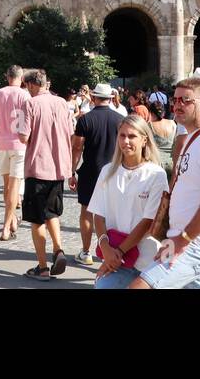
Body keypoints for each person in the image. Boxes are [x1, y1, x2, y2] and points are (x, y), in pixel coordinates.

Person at [129, 77, 200, 289]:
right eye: (174, 100)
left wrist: (182, 240)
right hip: (184, 241)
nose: (177, 105)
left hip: (196, 245)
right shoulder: (193, 138)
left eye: (185, 100)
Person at [89, 115, 168, 288]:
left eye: (132, 136)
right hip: (116, 259)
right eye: (122, 135)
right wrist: (106, 248)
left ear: (144, 140)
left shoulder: (156, 175)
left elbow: (148, 222)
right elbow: (98, 214)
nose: (126, 141)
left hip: (146, 260)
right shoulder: (107, 171)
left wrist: (119, 251)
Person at [17, 69, 74, 280]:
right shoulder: (62, 103)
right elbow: (70, 131)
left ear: (31, 85)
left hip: (37, 167)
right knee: (52, 213)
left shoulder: (29, 104)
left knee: (37, 219)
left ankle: (42, 268)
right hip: (59, 168)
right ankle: (58, 249)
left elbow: (23, 136)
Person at [71, 82, 124, 265]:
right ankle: (110, 252)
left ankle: (86, 252)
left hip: (90, 170)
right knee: (111, 215)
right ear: (110, 99)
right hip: (114, 171)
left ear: (93, 98)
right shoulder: (120, 119)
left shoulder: (85, 119)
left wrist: (72, 171)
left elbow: (77, 147)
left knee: (86, 212)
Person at [0, 64, 30, 241]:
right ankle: (7, 226)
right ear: (21, 78)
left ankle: (11, 219)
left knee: (6, 186)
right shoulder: (25, 95)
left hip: (3, 142)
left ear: (7, 76)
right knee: (14, 186)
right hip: (20, 144)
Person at [146, 100, 176, 176]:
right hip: (171, 164)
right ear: (163, 112)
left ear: (151, 113)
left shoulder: (149, 125)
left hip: (155, 163)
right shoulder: (173, 123)